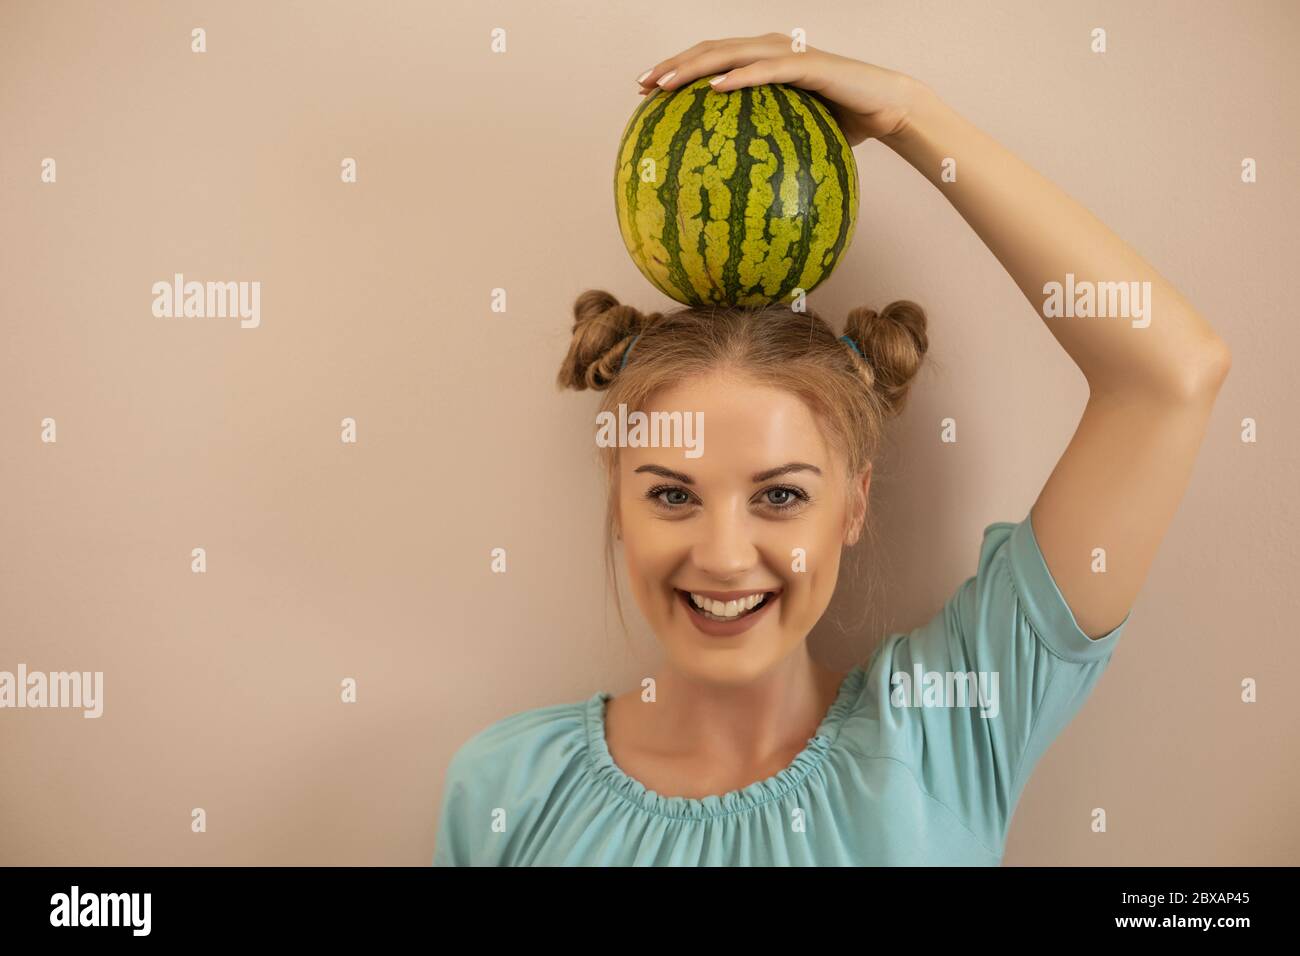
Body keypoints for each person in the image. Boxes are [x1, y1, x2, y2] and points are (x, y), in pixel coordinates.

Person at [433, 34, 1231, 866]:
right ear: (618, 495)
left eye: (780, 496)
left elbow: (1171, 373)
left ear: (853, 502)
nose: (725, 556)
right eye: (673, 494)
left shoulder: (949, 727)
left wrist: (909, 115)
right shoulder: (505, 790)